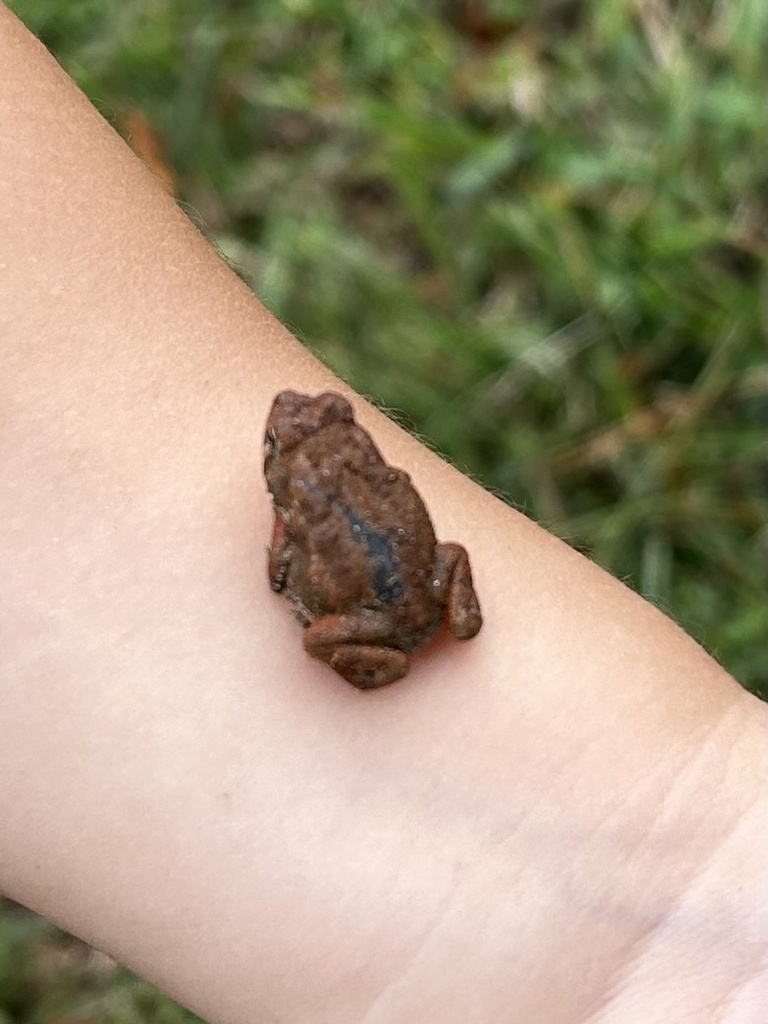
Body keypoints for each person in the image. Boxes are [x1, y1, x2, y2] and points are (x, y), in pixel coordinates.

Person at [0, 5, 764, 1022]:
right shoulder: (353, 490)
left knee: (329, 619)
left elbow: (291, 577)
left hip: (383, 619)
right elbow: (406, 536)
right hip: (423, 587)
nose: (292, 431)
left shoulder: (303, 513)